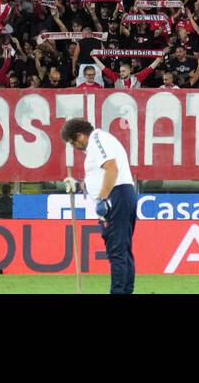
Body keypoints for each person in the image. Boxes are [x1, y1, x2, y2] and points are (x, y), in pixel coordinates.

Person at [61, 116, 137, 295]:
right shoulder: (98, 144)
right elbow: (99, 175)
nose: (75, 148)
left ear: (80, 136)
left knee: (117, 251)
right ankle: (125, 291)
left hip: (115, 195)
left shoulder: (97, 139)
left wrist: (103, 199)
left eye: (73, 143)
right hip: (119, 194)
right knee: (122, 250)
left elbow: (112, 169)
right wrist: (78, 185)